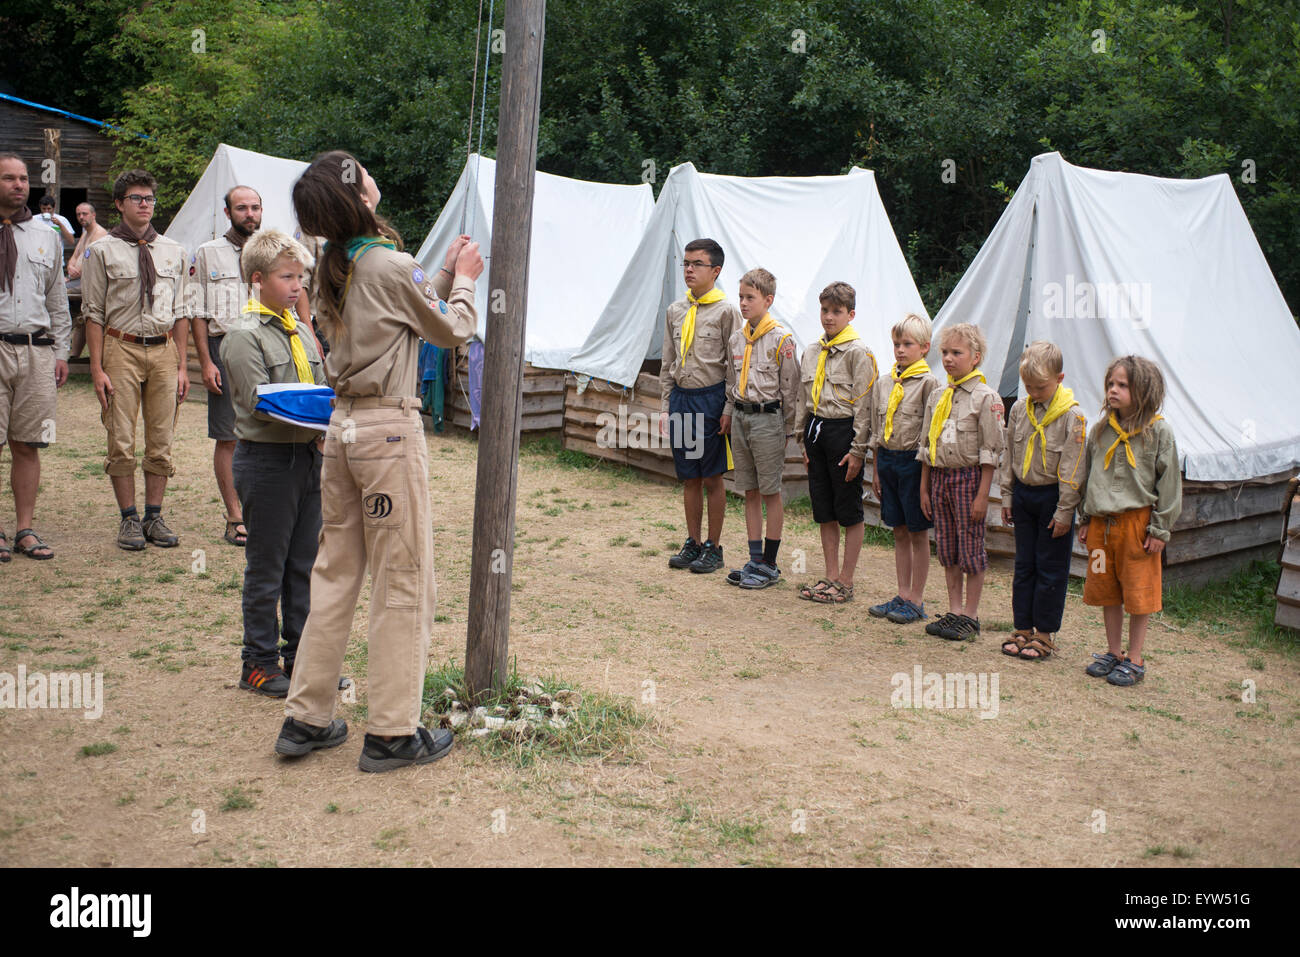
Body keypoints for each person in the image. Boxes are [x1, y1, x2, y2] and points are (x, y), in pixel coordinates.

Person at [272, 150, 481, 772]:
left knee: (335, 572)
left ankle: (306, 717)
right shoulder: (390, 262)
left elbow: (393, 319)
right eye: (361, 171)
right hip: (389, 432)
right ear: (358, 195)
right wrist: (464, 279)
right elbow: (453, 331)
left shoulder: (333, 265)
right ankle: (392, 731)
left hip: (343, 430)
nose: (371, 174)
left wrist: (436, 279)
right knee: (403, 579)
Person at [221, 230, 326, 697]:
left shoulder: (300, 329)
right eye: (287, 277)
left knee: (303, 564)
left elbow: (321, 385)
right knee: (267, 567)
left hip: (307, 457)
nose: (296, 286)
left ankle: (300, 658)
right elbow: (261, 401)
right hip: (266, 460)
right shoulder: (243, 336)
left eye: (300, 277)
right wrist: (327, 409)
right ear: (257, 279)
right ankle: (258, 662)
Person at [81, 169, 190, 550]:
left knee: (161, 438)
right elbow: (93, 312)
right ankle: (128, 519)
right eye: (137, 198)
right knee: (121, 437)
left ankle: (154, 516)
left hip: (163, 350)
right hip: (120, 347)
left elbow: (180, 312)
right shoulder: (102, 250)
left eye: (149, 199)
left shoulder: (174, 251)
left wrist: (180, 364)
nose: (145, 205)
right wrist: (96, 368)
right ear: (119, 204)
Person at [1078, 355, 1181, 687]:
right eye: (1111, 383)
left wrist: (1160, 529)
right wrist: (1084, 517)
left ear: (1144, 390)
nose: (1113, 390)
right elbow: (1088, 476)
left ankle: (1135, 657)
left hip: (1137, 528)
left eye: (1123, 385)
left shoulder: (1159, 432)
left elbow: (1169, 485)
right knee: (1105, 589)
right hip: (1100, 528)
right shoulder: (1100, 430)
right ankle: (1113, 652)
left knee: (1139, 593)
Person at [0, 153, 71, 561]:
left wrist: (62, 351)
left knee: (28, 444)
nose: (19, 185)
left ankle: (24, 529)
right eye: (9, 178)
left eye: (24, 178)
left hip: (35, 350)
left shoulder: (46, 235)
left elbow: (57, 300)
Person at [998, 341, 1087, 661]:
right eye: (1028, 386)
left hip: (1052, 499)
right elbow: (1009, 453)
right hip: (1023, 494)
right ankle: (1022, 627)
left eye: (1041, 387)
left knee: (1050, 568)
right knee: (1024, 565)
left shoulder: (1072, 417)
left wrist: (1065, 511)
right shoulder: (1020, 409)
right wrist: (1007, 495)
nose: (1034, 392)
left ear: (1060, 378)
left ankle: (1045, 634)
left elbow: (1073, 467)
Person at [659, 238, 742, 574]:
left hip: (710, 399)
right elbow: (668, 360)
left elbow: (736, 364)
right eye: (686, 264)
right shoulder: (676, 310)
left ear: (715, 271)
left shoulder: (727, 312)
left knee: (711, 476)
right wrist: (665, 404)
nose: (689, 270)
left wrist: (728, 408)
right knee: (689, 476)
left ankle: (714, 546)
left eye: (697, 264)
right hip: (682, 397)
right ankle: (693, 541)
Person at [917, 322, 1004, 639]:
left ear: (976, 357)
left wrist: (983, 495)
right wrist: (924, 486)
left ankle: (971, 614)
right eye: (945, 352)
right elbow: (928, 443)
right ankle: (954, 610)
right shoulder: (938, 395)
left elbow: (990, 450)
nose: (949, 358)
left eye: (957, 352)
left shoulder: (986, 398)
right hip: (940, 478)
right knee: (948, 548)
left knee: (971, 549)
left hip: (969, 479)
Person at [794, 281, 877, 604]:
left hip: (844, 432)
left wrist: (858, 450)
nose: (829, 317)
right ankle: (829, 575)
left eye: (837, 312)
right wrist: (803, 440)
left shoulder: (859, 354)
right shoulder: (812, 350)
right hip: (816, 430)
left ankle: (846, 579)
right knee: (823, 508)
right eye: (825, 310)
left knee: (849, 508)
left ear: (851, 315)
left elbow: (864, 406)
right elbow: (804, 398)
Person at [190, 185, 263, 548]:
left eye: (254, 208)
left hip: (267, 347)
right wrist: (205, 361)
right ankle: (235, 517)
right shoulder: (207, 253)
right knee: (228, 435)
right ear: (227, 212)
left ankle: (263, 512)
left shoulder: (273, 251)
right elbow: (199, 313)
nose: (249, 214)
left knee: (268, 432)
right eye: (241, 208)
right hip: (224, 346)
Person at [721, 267, 799, 589]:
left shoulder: (782, 340)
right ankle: (754, 558)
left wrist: (788, 431)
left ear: (768, 300)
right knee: (749, 490)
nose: (743, 303)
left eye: (750, 297)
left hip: (768, 419)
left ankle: (770, 562)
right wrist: (728, 411)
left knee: (770, 491)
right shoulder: (737, 338)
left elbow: (790, 390)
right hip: (741, 417)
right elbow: (730, 379)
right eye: (740, 297)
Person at [867, 312, 939, 623]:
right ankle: (902, 593)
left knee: (917, 532)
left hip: (913, 463)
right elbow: (876, 427)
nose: (899, 349)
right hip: (887, 460)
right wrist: (876, 470)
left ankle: (917, 599)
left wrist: (925, 481)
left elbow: (929, 434)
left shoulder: (929, 384)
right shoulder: (884, 382)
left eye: (907, 344)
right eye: (896, 343)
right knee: (897, 530)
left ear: (924, 347)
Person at [66, 202, 108, 360]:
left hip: (90, 284)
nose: (81, 217)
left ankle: (59, 341)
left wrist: (75, 274)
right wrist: (70, 267)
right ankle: (74, 355)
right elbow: (75, 256)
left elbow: (90, 263)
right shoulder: (85, 233)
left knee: (60, 294)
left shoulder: (99, 234)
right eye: (78, 214)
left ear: (93, 215)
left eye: (84, 214)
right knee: (82, 320)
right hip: (77, 281)